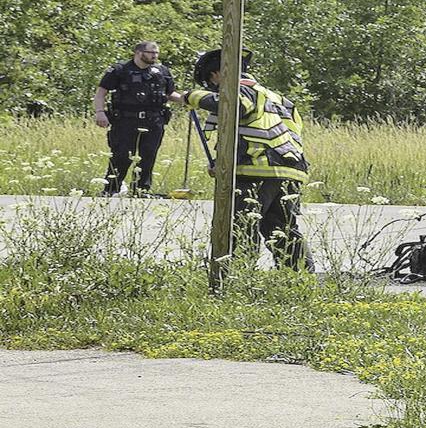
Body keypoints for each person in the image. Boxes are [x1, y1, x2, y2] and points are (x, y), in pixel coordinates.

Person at [170, 48, 313, 271]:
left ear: (217, 74)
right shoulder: (278, 98)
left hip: (256, 172)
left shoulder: (242, 90)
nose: (213, 88)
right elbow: (261, 131)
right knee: (283, 231)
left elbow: (232, 105)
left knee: (241, 229)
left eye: (210, 82)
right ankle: (300, 280)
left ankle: (235, 280)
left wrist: (190, 96)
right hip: (290, 172)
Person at [95, 41, 175, 196]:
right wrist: (100, 112)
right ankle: (111, 189)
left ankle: (140, 191)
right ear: (138, 52)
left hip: (154, 121)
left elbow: (171, 94)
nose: (155, 56)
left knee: (148, 156)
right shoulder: (120, 70)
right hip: (126, 120)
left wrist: (189, 99)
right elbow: (101, 92)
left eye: (157, 53)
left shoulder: (162, 71)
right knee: (122, 155)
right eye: (151, 52)